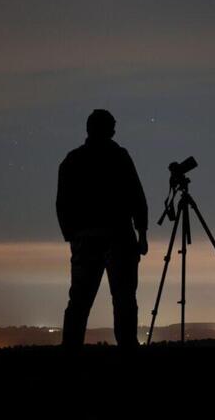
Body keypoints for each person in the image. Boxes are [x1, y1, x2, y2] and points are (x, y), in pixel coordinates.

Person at [57, 109, 149, 348]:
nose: (115, 130)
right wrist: (142, 233)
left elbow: (62, 203)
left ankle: (71, 347)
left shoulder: (72, 160)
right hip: (118, 237)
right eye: (112, 126)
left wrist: (72, 236)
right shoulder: (119, 157)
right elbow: (136, 195)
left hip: (86, 240)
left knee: (80, 299)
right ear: (107, 129)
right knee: (124, 298)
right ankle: (127, 345)